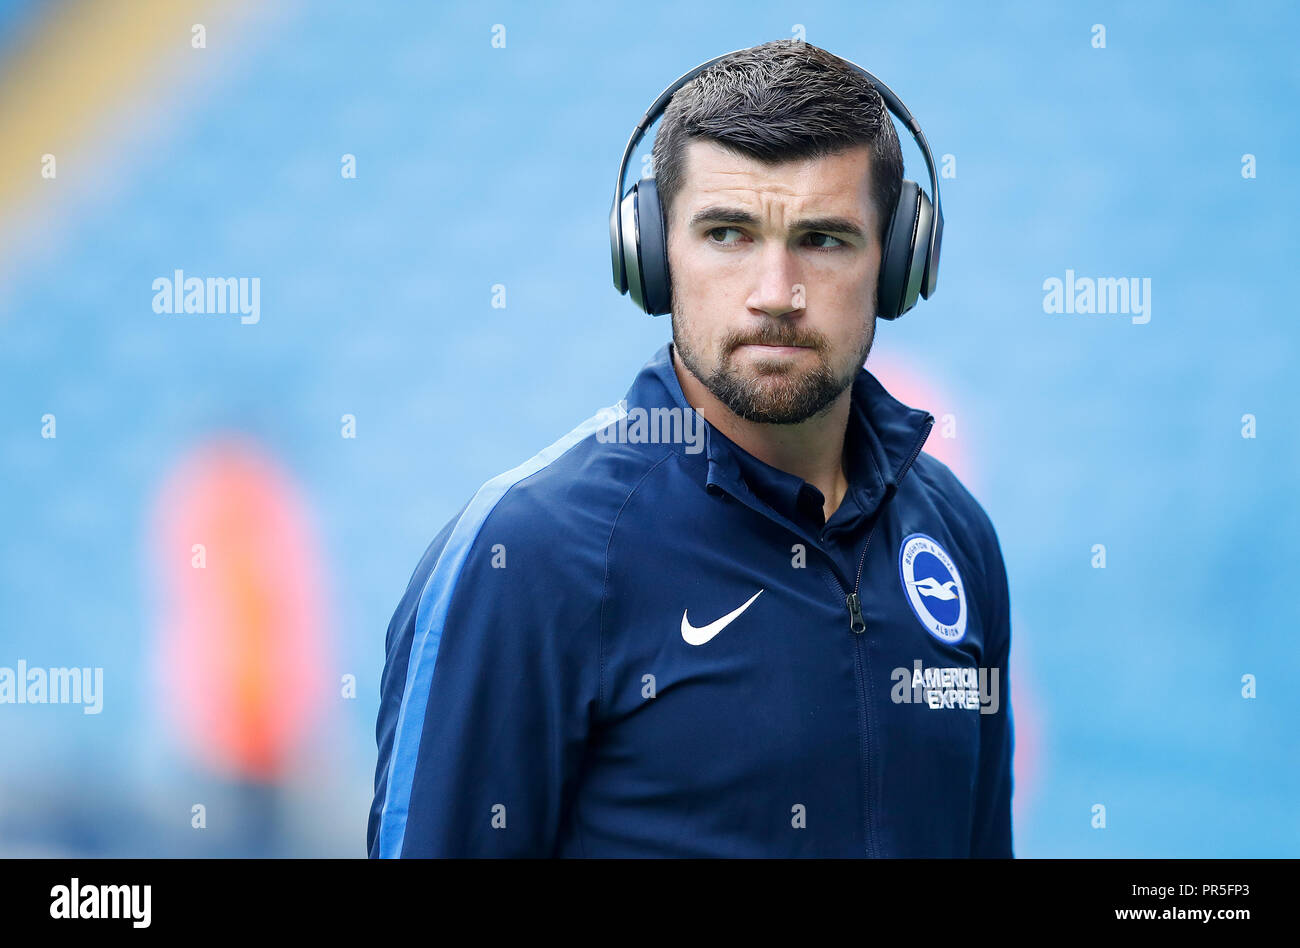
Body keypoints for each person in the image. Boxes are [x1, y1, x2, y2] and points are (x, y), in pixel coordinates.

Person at [369, 38, 1013, 858]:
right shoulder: (526, 556)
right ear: (649, 254)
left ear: (898, 262)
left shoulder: (956, 536)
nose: (775, 295)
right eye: (728, 234)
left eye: (823, 239)